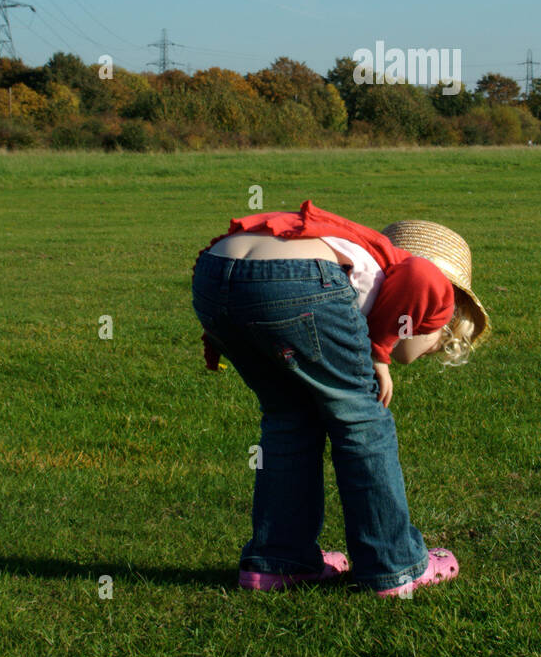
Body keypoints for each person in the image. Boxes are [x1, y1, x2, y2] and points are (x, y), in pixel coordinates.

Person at [191, 200, 489, 597]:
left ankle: (281, 561)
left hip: (216, 273)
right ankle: (396, 567)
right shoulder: (432, 288)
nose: (436, 341)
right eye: (440, 336)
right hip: (291, 278)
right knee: (363, 419)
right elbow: (420, 277)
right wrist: (379, 352)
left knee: (289, 417)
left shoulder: (363, 263)